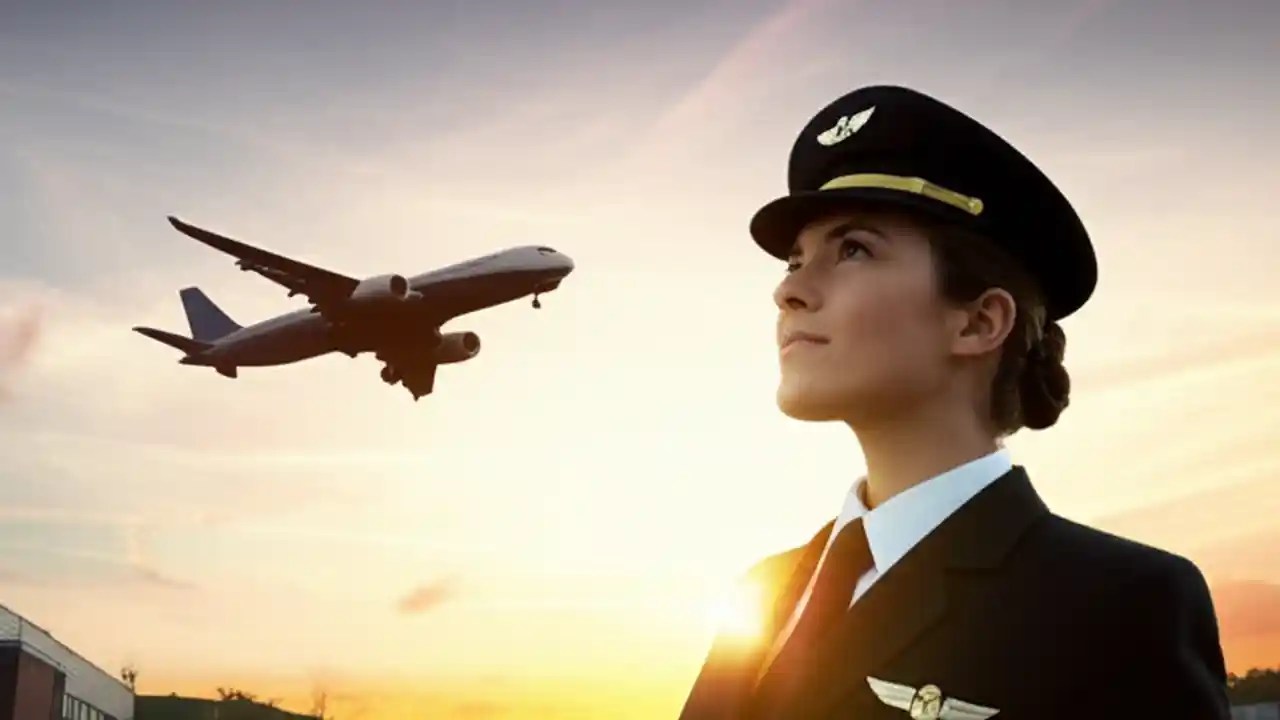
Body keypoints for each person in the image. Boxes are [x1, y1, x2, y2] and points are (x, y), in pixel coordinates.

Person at [676, 85, 1231, 720]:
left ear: (978, 323)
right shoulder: (763, 590)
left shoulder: (1120, 602)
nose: (790, 291)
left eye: (853, 249)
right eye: (795, 261)